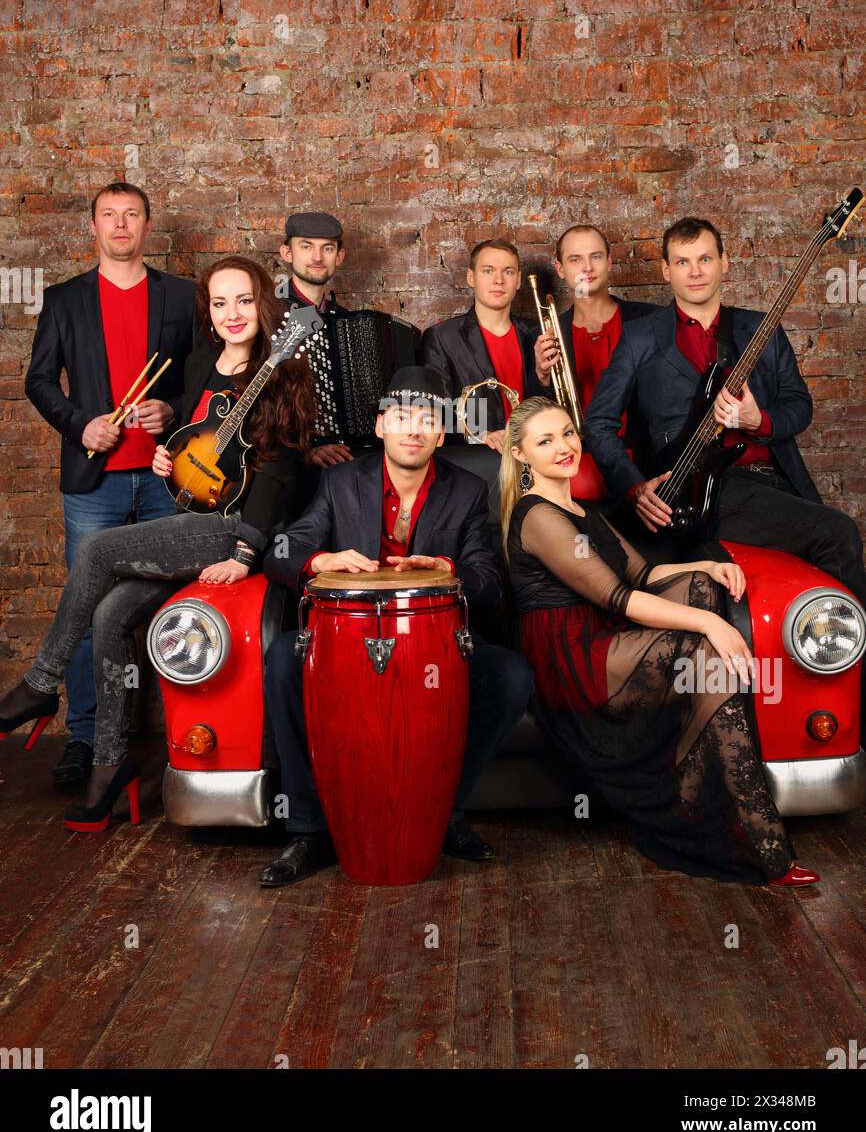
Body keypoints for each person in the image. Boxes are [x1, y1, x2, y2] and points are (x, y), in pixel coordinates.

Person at [0, 256, 316, 831]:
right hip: (183, 515)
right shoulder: (199, 364)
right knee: (112, 610)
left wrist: (245, 552)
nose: (232, 313)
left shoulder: (284, 370)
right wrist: (167, 460)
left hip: (229, 528)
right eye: (219, 304)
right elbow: (193, 441)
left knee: (96, 552)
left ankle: (40, 684)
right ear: (209, 313)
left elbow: (278, 470)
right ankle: (109, 764)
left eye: (244, 300)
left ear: (264, 303)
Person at [503, 396, 818, 886]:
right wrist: (710, 623)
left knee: (702, 588)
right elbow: (617, 597)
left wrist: (705, 566)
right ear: (520, 454)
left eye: (567, 432)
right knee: (705, 645)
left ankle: (697, 801)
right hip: (568, 655)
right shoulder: (537, 515)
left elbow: (643, 571)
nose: (564, 447)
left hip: (601, 633)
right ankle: (760, 839)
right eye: (545, 440)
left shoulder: (581, 508)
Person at [258, 365, 533, 887]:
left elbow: (488, 579)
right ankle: (310, 829)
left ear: (442, 430)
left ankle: (441, 812)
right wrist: (318, 561)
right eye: (401, 415)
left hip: (431, 648)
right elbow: (283, 548)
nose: (413, 428)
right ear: (381, 424)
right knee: (282, 661)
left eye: (427, 418)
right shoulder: (339, 483)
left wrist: (446, 569)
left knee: (511, 677)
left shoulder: (469, 490)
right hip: (344, 641)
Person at [583, 217, 866, 615]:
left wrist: (757, 420)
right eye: (682, 262)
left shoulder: (760, 328)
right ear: (666, 270)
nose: (695, 271)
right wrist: (634, 487)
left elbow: (799, 406)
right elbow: (598, 424)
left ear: (725, 262)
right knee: (838, 533)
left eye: (705, 259)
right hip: (702, 491)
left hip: (776, 485)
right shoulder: (640, 337)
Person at [23, 181, 196, 787]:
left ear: (148, 226)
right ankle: (87, 741)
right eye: (108, 216)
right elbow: (39, 381)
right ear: (93, 227)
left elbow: (203, 380)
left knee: (173, 607)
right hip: (93, 482)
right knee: (87, 609)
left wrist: (170, 411)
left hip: (166, 479)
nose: (120, 225)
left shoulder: (182, 296)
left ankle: (189, 737)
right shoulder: (64, 298)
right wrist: (80, 424)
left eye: (132, 215)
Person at [533, 223, 658, 497]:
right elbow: (534, 420)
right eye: (575, 259)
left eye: (596, 256)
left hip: (647, 460)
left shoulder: (651, 320)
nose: (587, 268)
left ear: (610, 262)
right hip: (578, 466)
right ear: (560, 269)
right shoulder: (544, 334)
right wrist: (542, 378)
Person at [421, 239, 542, 452]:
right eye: (488, 271)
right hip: (479, 460)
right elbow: (437, 412)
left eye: (508, 272)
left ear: (518, 280)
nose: (498, 280)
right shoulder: (442, 337)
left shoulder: (536, 333)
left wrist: (544, 377)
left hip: (535, 456)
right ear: (471, 277)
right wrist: (480, 436)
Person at [278, 210, 352, 470]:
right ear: (287, 253)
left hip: (343, 458)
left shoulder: (345, 320)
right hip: (285, 463)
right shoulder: (267, 314)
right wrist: (305, 451)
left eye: (327, 248)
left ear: (339, 257)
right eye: (306, 246)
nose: (317, 257)